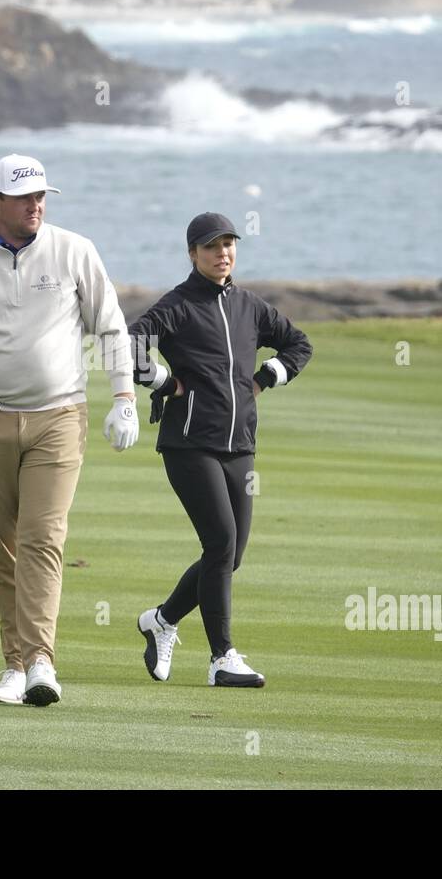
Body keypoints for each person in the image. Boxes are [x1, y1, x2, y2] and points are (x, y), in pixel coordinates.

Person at [0, 154, 138, 706]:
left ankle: (40, 662)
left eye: (42, 196)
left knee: (43, 537)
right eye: (24, 198)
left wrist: (123, 397)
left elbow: (110, 325)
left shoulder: (74, 249)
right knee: (5, 550)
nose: (36, 205)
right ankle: (13, 666)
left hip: (59, 417)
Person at [130, 213, 312, 688]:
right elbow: (129, 345)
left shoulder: (250, 307)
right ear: (193, 254)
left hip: (240, 446)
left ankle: (163, 620)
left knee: (230, 556)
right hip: (189, 443)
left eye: (229, 244)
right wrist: (164, 381)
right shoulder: (178, 305)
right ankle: (222, 657)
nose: (222, 253)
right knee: (220, 543)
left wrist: (270, 375)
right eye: (212, 246)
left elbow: (298, 344)